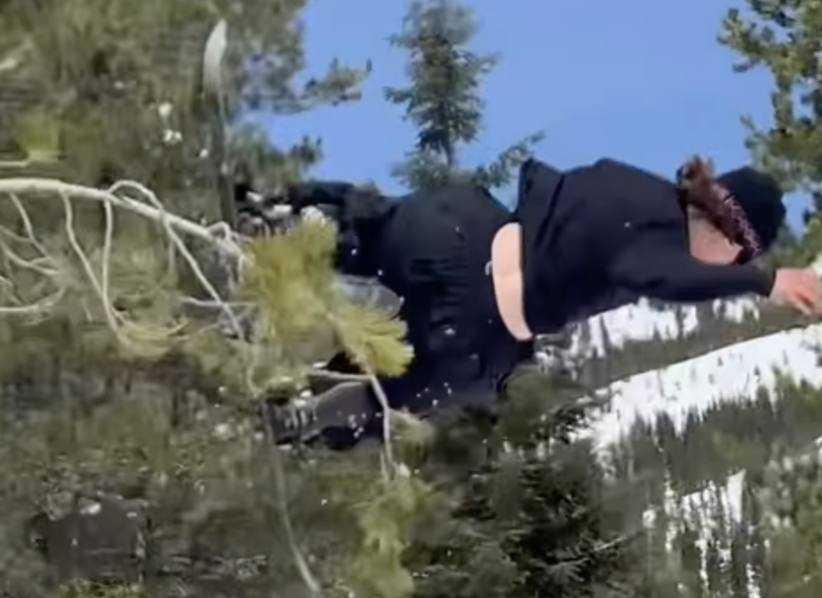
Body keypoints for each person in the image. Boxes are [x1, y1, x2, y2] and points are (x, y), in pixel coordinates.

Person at [255, 155, 822, 447]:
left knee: (371, 234)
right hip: (472, 326)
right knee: (388, 392)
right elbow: (665, 278)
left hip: (460, 228)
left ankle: (274, 220)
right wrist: (766, 284)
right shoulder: (662, 245)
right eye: (737, 259)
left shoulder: (632, 185)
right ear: (732, 240)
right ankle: (299, 410)